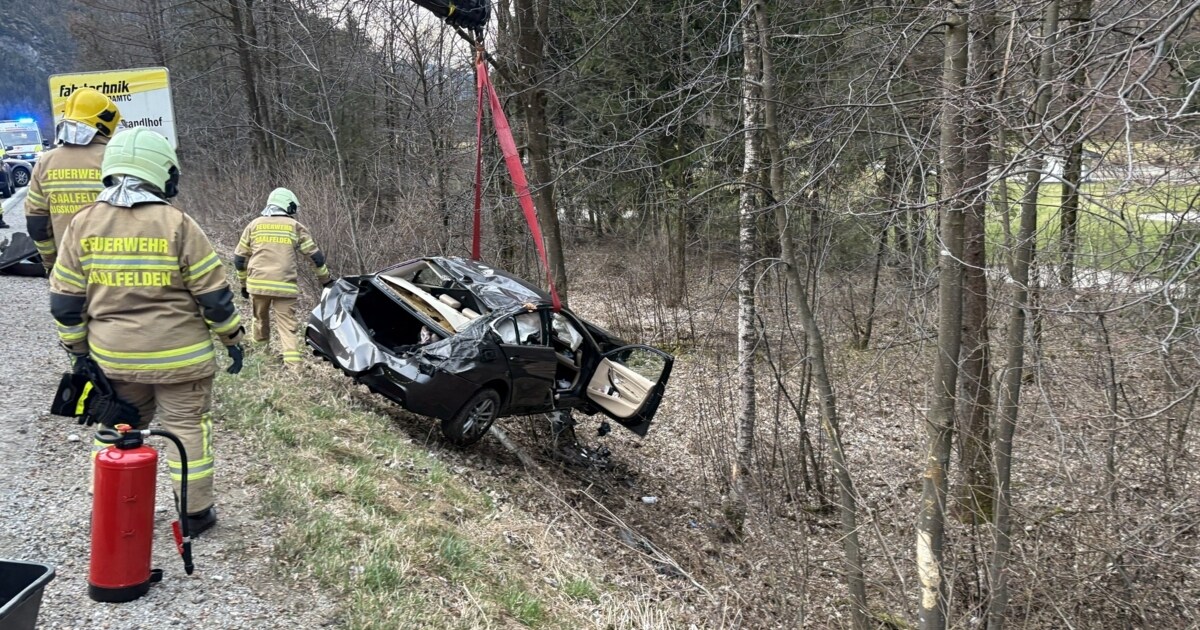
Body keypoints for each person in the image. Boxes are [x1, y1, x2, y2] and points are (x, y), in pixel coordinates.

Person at [49, 128, 243, 534]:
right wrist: (232, 339)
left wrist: (78, 350)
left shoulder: (83, 224)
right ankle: (194, 514)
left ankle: (111, 504)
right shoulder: (178, 224)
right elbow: (214, 298)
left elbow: (65, 302)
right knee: (187, 429)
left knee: (115, 429)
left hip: (114, 360)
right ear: (159, 172)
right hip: (182, 360)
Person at [26, 87, 121, 274]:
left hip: (68, 269)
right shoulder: (118, 159)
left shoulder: (45, 162)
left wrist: (51, 263)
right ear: (105, 124)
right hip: (116, 269)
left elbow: (37, 224)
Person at [234, 188, 332, 366]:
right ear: (287, 205)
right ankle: (294, 368)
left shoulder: (254, 225)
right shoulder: (295, 227)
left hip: (258, 283)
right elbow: (315, 258)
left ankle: (262, 358)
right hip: (285, 286)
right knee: (288, 327)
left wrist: (243, 284)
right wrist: (326, 281)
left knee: (259, 319)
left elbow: (239, 259)